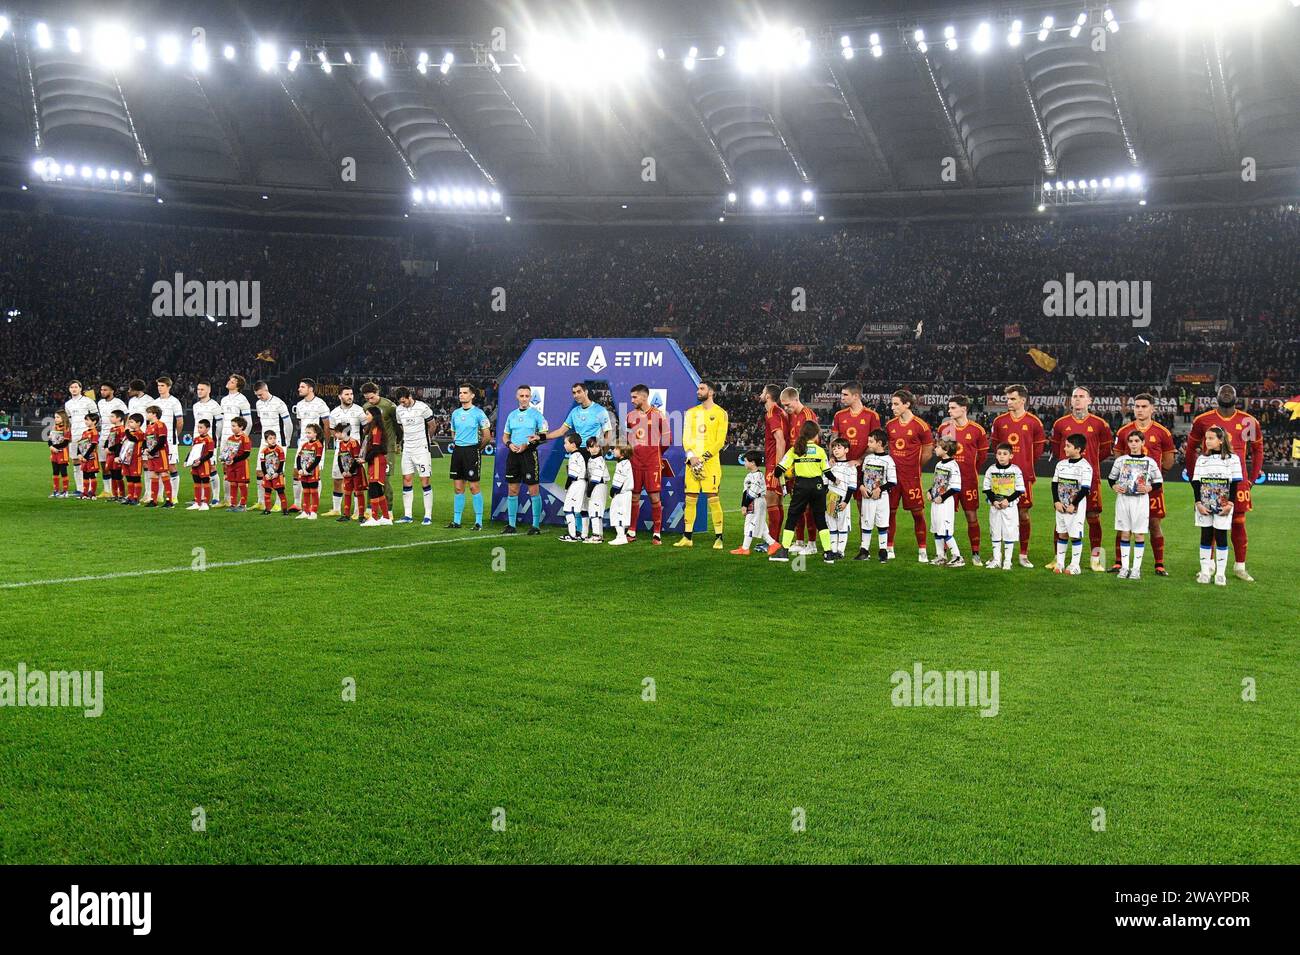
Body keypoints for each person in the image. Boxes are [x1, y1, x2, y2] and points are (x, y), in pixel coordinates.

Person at [1184, 384, 1263, 582]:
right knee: (1209, 524)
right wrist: (1196, 477)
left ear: (1237, 397)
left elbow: (1257, 450)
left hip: (1237, 480)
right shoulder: (1203, 420)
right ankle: (1209, 566)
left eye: (1231, 392)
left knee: (1238, 524)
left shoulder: (1248, 421)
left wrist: (1251, 479)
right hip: (1209, 482)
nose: (1227, 394)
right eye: (1223, 392)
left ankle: (1239, 566)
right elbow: (1191, 448)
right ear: (1216, 396)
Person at [1048, 386, 1113, 572]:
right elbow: (1055, 449)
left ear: (1089, 400)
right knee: (1061, 515)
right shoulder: (1060, 424)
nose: (1077, 400)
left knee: (1093, 517)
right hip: (1066, 481)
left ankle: (1095, 558)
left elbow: (1106, 451)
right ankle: (1057, 559)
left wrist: (1088, 463)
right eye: (1074, 396)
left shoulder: (1100, 424)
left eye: (1081, 396)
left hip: (1089, 479)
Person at [1111, 393, 1175, 576]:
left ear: (1152, 409)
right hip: (1128, 489)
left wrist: (1152, 480)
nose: (1140, 409)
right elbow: (1118, 457)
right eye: (1137, 406)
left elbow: (1169, 461)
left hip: (1151, 490)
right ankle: (1119, 563)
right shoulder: (1124, 431)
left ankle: (1159, 564)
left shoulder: (1163, 432)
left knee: (1154, 524)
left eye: (1144, 406)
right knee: (1123, 525)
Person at [544, 381, 614, 536]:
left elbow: (608, 434)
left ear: (586, 392)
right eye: (574, 393)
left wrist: (600, 453)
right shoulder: (574, 412)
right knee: (578, 493)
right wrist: (542, 437)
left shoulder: (600, 410)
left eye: (578, 392)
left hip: (592, 453)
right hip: (577, 454)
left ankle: (593, 531)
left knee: (592, 492)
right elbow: (562, 431)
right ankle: (581, 531)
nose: (576, 395)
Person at [989, 385, 1046, 568]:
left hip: (1022, 476)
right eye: (1007, 398)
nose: (1009, 402)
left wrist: (1024, 466)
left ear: (1022, 400)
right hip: (1000, 477)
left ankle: (1023, 554)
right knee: (998, 514)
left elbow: (1038, 450)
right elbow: (996, 446)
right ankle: (998, 556)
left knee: (1023, 514)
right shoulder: (999, 421)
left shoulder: (1034, 422)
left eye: (1012, 399)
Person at [769, 420, 836, 563]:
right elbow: (827, 473)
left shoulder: (795, 449)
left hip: (801, 486)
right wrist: (836, 480)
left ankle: (784, 551)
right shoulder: (819, 451)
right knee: (820, 519)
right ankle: (828, 553)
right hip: (818, 486)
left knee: (793, 517)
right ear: (816, 435)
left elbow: (779, 469)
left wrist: (779, 477)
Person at [677, 380, 728, 549]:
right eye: (698, 388)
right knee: (690, 498)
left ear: (711, 392)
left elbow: (720, 441)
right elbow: (686, 437)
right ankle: (687, 537)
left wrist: (703, 458)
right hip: (692, 462)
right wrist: (691, 457)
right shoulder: (691, 413)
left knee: (713, 498)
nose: (698, 391)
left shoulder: (721, 413)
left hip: (710, 463)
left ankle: (719, 537)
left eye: (702, 388)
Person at [1191, 426, 1243, 586]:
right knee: (1205, 536)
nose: (1207, 441)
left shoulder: (1233, 459)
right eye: (1206, 438)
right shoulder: (1202, 459)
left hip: (1224, 505)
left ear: (1221, 440)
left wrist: (1231, 504)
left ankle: (1220, 574)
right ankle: (1205, 572)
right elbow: (1196, 483)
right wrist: (1198, 503)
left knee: (1221, 537)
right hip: (1204, 505)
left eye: (1211, 438)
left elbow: (1234, 484)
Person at [832, 383, 882, 550]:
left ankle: (863, 545)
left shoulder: (872, 416)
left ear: (856, 396)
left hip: (863, 468)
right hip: (841, 469)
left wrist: (860, 460)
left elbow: (875, 443)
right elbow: (834, 438)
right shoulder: (839, 415)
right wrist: (833, 456)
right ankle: (835, 544)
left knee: (863, 508)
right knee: (834, 503)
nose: (842, 397)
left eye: (845, 395)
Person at [1108, 430, 1163, 580]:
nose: (1133, 444)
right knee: (1125, 533)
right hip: (1123, 500)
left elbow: (1158, 481)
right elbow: (1111, 479)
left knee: (1139, 534)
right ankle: (1124, 568)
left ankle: (1136, 569)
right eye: (1131, 441)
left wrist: (1149, 488)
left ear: (1142, 443)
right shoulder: (1121, 461)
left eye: (1136, 441)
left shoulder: (1149, 462)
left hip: (1140, 501)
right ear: (1128, 443)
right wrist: (1114, 487)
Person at [886, 389, 933, 562]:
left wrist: (914, 467)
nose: (892, 407)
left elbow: (928, 452)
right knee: (890, 512)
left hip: (911, 478)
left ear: (907, 404)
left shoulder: (921, 425)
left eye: (896, 404)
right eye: (892, 404)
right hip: (892, 478)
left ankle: (922, 549)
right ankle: (889, 547)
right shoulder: (890, 425)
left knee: (917, 513)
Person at [944, 395, 989, 565]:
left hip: (969, 480)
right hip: (949, 481)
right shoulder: (946, 428)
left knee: (971, 516)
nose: (950, 411)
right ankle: (945, 553)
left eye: (953, 407)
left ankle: (975, 552)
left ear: (964, 409)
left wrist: (971, 469)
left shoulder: (977, 430)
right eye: (949, 408)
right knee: (946, 517)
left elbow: (982, 456)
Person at [626, 383, 670, 543]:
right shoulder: (630, 416)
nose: (631, 400)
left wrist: (654, 453)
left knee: (654, 497)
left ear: (644, 397)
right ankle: (631, 530)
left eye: (634, 397)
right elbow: (628, 439)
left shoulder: (659, 415)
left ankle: (657, 532)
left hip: (652, 463)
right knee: (634, 496)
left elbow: (667, 440)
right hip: (635, 462)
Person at [502, 384, 548, 535]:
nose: (524, 399)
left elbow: (543, 435)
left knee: (533, 490)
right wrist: (509, 444)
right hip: (513, 455)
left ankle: (535, 526)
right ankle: (511, 525)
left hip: (529, 455)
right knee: (512, 489)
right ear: (517, 397)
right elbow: (505, 436)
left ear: (530, 397)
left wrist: (527, 445)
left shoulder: (536, 415)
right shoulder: (511, 415)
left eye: (527, 396)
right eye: (521, 396)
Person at [447, 383, 492, 531]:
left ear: (472, 395)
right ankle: (456, 521)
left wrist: (477, 449)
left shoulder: (479, 413)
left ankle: (478, 522)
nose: (461, 395)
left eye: (465, 393)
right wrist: (458, 442)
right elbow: (453, 432)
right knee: (458, 488)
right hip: (458, 451)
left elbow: (486, 435)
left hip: (472, 451)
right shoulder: (456, 413)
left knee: (473, 487)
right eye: (460, 392)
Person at [779, 386, 819, 552]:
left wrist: (800, 464)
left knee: (809, 507)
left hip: (808, 468)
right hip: (795, 468)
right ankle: (800, 540)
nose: (786, 408)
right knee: (797, 506)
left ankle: (812, 544)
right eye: (783, 405)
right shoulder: (792, 416)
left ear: (796, 399)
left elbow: (814, 441)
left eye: (788, 405)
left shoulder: (807, 415)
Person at [1050, 434, 1093, 576]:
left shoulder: (1085, 467)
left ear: (1078, 449)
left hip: (1076, 508)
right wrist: (1056, 501)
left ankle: (1075, 565)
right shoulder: (1061, 464)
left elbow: (1085, 489)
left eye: (1068, 446)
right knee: (1062, 533)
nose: (1065, 448)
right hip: (1061, 506)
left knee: (1075, 535)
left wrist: (1074, 504)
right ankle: (1060, 563)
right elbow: (1054, 483)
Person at [394, 386, 436, 525]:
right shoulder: (399, 410)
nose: (403, 404)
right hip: (408, 449)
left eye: (404, 401)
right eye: (400, 402)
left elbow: (432, 425)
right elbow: (401, 426)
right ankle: (407, 515)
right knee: (406, 479)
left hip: (421, 449)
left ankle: (428, 516)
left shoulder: (423, 408)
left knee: (425, 481)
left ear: (409, 396)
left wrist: (427, 441)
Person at [854, 429, 896, 563]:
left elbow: (892, 481)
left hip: (881, 498)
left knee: (882, 523)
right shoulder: (868, 458)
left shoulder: (888, 460)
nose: (868, 444)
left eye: (871, 441)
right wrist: (860, 486)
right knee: (866, 522)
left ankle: (883, 551)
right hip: (867, 497)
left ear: (879, 443)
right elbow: (860, 476)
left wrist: (880, 489)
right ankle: (864, 550)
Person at [983, 443, 1025, 571]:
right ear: (996, 455)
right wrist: (994, 500)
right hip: (995, 507)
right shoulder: (991, 469)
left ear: (1011, 455)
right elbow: (986, 488)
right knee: (995, 532)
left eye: (1005, 454)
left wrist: (1008, 500)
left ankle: (1007, 561)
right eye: (999, 454)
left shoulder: (1015, 470)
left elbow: (1019, 489)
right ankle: (996, 560)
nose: (1002, 457)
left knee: (1009, 533)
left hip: (1010, 507)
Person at [328, 386, 367, 516]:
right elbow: (333, 430)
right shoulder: (334, 413)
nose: (350, 396)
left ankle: (357, 511)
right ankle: (336, 509)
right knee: (337, 478)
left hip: (355, 451)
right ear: (340, 396)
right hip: (340, 450)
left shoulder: (359, 410)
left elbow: (366, 430)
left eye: (351, 394)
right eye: (346, 394)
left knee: (356, 480)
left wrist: (364, 448)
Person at [292, 378, 330, 513]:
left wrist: (324, 442)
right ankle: (297, 504)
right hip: (303, 443)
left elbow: (326, 424)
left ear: (310, 389)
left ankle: (314, 505)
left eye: (302, 387)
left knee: (315, 473)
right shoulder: (300, 405)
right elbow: (300, 424)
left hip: (316, 443)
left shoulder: (320, 404)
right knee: (297, 471)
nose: (299, 389)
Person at [253, 381, 292, 510]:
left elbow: (288, 423)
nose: (259, 397)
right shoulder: (259, 404)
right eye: (257, 395)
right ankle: (261, 501)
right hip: (264, 443)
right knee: (260, 470)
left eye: (260, 394)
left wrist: (287, 440)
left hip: (278, 442)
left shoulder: (279, 403)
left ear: (266, 389)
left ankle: (278, 503)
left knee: (277, 471)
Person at [360, 382, 400, 507]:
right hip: (372, 449)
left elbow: (398, 426)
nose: (370, 401)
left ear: (377, 393)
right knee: (371, 479)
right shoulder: (366, 407)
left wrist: (398, 443)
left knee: (384, 479)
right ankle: (370, 509)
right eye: (367, 399)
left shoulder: (389, 406)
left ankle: (388, 509)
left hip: (387, 448)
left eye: (372, 397)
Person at [732, 451, 778, 556]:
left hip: (757, 502)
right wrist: (743, 504)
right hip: (753, 502)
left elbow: (752, 493)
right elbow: (745, 492)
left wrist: (744, 505)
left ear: (752, 462)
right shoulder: (749, 475)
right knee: (761, 526)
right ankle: (773, 544)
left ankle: (745, 548)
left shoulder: (758, 476)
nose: (744, 463)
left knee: (751, 524)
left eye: (745, 461)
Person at [760, 384, 789, 547]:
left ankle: (772, 542)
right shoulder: (780, 412)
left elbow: (780, 440)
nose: (761, 394)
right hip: (777, 460)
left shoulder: (773, 413)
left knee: (771, 499)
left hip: (774, 462)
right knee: (777, 501)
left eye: (763, 392)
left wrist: (778, 467)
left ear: (768, 396)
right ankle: (775, 540)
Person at [928, 437, 964, 567]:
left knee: (946, 531)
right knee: (937, 529)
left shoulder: (953, 466)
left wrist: (942, 497)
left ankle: (957, 557)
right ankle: (940, 556)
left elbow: (956, 487)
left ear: (946, 450)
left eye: (937, 447)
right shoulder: (939, 464)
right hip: (936, 502)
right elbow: (938, 482)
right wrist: (930, 490)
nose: (935, 448)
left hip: (945, 504)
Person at [217, 375, 252, 507]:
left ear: (237, 385)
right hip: (225, 438)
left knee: (240, 470)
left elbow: (248, 422)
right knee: (226, 468)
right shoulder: (224, 400)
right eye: (229, 380)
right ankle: (227, 499)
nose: (228, 382)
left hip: (237, 440)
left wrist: (242, 438)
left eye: (232, 381)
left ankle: (242, 501)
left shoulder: (242, 400)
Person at [191, 380, 222, 506]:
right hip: (197, 443)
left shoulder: (215, 406)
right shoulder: (195, 406)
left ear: (209, 390)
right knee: (197, 468)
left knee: (212, 467)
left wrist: (215, 439)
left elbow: (219, 425)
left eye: (202, 389)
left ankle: (215, 497)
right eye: (198, 389)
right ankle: (200, 497)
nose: (199, 391)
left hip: (209, 442)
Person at [825, 437, 858, 558]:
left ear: (846, 450)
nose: (835, 450)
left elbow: (852, 486)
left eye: (839, 448)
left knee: (842, 525)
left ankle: (840, 551)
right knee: (831, 525)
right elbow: (824, 482)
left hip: (843, 500)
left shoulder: (850, 467)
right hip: (830, 499)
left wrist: (845, 502)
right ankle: (833, 550)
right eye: (834, 448)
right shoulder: (830, 466)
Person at [154, 377, 185, 503]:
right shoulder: (155, 402)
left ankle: (174, 496)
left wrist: (174, 435)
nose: (159, 388)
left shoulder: (174, 402)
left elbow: (180, 421)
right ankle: (160, 495)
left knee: (171, 466)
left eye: (162, 385)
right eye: (158, 385)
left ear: (168, 387)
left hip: (170, 440)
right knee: (159, 467)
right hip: (157, 440)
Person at [361, 405, 393, 526]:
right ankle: (385, 517)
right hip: (374, 461)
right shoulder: (372, 428)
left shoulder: (376, 429)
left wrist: (364, 459)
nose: (366, 416)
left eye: (368, 414)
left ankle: (374, 518)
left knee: (374, 488)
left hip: (377, 461)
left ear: (374, 416)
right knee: (377, 490)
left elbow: (376, 448)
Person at [64, 381, 96, 497]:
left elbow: (96, 418)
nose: (73, 389)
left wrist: (91, 432)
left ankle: (91, 489)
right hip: (75, 435)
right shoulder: (68, 404)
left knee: (88, 461)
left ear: (80, 388)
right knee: (76, 461)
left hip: (86, 436)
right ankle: (79, 488)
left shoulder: (88, 401)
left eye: (76, 387)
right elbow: (69, 419)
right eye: (71, 387)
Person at [96, 383, 127, 498]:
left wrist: (125, 430)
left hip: (116, 436)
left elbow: (126, 415)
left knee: (117, 466)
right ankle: (107, 490)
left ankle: (120, 492)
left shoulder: (118, 403)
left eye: (105, 390)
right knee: (104, 464)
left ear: (112, 391)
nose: (102, 392)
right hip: (104, 436)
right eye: (101, 389)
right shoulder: (100, 403)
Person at [331, 422, 365, 523]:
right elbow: (339, 458)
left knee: (359, 493)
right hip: (346, 473)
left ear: (344, 432)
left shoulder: (354, 443)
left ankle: (361, 515)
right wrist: (343, 471)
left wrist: (350, 471)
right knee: (347, 493)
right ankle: (346, 514)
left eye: (337, 432)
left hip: (356, 473)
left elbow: (356, 459)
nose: (335, 435)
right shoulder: (341, 443)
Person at [143, 405, 174, 507]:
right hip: (151, 455)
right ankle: (154, 500)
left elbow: (162, 441)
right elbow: (145, 441)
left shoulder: (160, 425)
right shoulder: (148, 427)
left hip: (161, 454)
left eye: (148, 412)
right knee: (153, 476)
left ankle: (169, 501)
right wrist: (145, 450)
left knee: (164, 474)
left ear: (154, 414)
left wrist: (151, 452)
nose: (146, 415)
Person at [559, 433, 588, 542]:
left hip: (576, 484)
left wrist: (566, 486)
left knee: (568, 508)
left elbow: (572, 475)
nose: (564, 445)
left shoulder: (574, 456)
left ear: (573, 444)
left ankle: (572, 535)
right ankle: (584, 535)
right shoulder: (579, 455)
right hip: (582, 483)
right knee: (582, 509)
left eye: (566, 443)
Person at [221, 416, 252, 512]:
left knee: (242, 484)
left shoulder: (245, 438)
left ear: (241, 427)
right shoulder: (230, 438)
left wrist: (235, 460)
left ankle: (243, 505)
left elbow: (246, 453)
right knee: (233, 484)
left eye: (234, 426)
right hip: (231, 465)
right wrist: (224, 458)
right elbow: (227, 451)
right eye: (232, 426)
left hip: (241, 464)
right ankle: (233, 504)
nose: (232, 428)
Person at [295, 424, 325, 519]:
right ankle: (305, 511)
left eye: (309, 432)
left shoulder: (318, 445)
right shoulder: (304, 444)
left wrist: (308, 470)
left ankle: (314, 512)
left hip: (312, 472)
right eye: (306, 432)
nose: (307, 434)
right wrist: (300, 469)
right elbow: (299, 457)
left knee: (314, 491)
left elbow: (317, 459)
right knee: (306, 491)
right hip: (304, 472)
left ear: (315, 433)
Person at [257, 431, 290, 515]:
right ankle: (267, 510)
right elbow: (262, 464)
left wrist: (277, 473)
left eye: (274, 438)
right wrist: (265, 474)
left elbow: (282, 462)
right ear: (266, 440)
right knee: (267, 492)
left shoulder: (279, 450)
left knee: (280, 491)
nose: (273, 440)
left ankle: (285, 510)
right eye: (270, 438)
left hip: (277, 475)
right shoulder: (263, 451)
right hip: (268, 475)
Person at [608, 444, 635, 546]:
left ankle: (621, 537)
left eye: (616, 449)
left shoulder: (623, 464)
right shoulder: (623, 463)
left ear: (623, 453)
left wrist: (612, 491)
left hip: (622, 494)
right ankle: (620, 536)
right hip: (623, 494)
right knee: (618, 513)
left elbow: (619, 481)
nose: (613, 450)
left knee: (619, 514)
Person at [584, 436, 609, 543]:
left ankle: (596, 536)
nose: (594, 449)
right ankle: (599, 534)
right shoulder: (591, 459)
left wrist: (589, 491)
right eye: (591, 447)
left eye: (597, 446)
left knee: (595, 510)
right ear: (587, 448)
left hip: (599, 485)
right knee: (595, 510)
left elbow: (596, 478)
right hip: (596, 486)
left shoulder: (599, 460)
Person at [187, 418, 215, 510]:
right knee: (196, 482)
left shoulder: (209, 440)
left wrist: (200, 460)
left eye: (201, 427)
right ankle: (197, 502)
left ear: (207, 429)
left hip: (204, 464)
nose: (199, 429)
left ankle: (205, 503)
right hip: (195, 465)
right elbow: (192, 451)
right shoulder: (196, 439)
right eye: (198, 427)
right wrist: (187, 460)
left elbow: (210, 454)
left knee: (205, 482)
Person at [121, 413, 146, 505]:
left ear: (138, 423)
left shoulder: (140, 433)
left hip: (136, 459)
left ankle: (136, 498)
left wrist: (126, 431)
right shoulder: (129, 433)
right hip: (126, 459)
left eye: (131, 422)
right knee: (129, 478)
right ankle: (130, 496)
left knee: (136, 478)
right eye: (129, 422)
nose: (129, 424)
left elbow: (132, 439)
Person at [104, 410, 127, 502]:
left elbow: (120, 444)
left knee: (118, 475)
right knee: (112, 474)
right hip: (110, 455)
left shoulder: (122, 429)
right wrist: (106, 447)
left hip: (117, 455)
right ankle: (114, 495)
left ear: (119, 418)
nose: (110, 418)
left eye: (112, 416)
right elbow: (108, 439)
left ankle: (122, 495)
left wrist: (110, 449)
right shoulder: (112, 429)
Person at [48, 410, 71, 497]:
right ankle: (56, 491)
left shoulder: (66, 428)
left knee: (63, 472)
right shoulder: (54, 427)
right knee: (55, 472)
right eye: (55, 417)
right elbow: (50, 439)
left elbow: (65, 443)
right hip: (54, 453)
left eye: (58, 417)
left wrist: (55, 447)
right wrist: (50, 446)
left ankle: (65, 492)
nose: (56, 419)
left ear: (63, 418)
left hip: (62, 453)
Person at [77, 412, 100, 499]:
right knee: (85, 474)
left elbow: (93, 445)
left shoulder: (95, 432)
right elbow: (80, 444)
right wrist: (78, 453)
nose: (85, 421)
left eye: (88, 420)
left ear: (94, 421)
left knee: (92, 475)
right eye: (85, 419)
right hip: (84, 457)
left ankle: (92, 493)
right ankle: (85, 493)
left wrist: (85, 456)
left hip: (91, 457)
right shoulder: (84, 432)